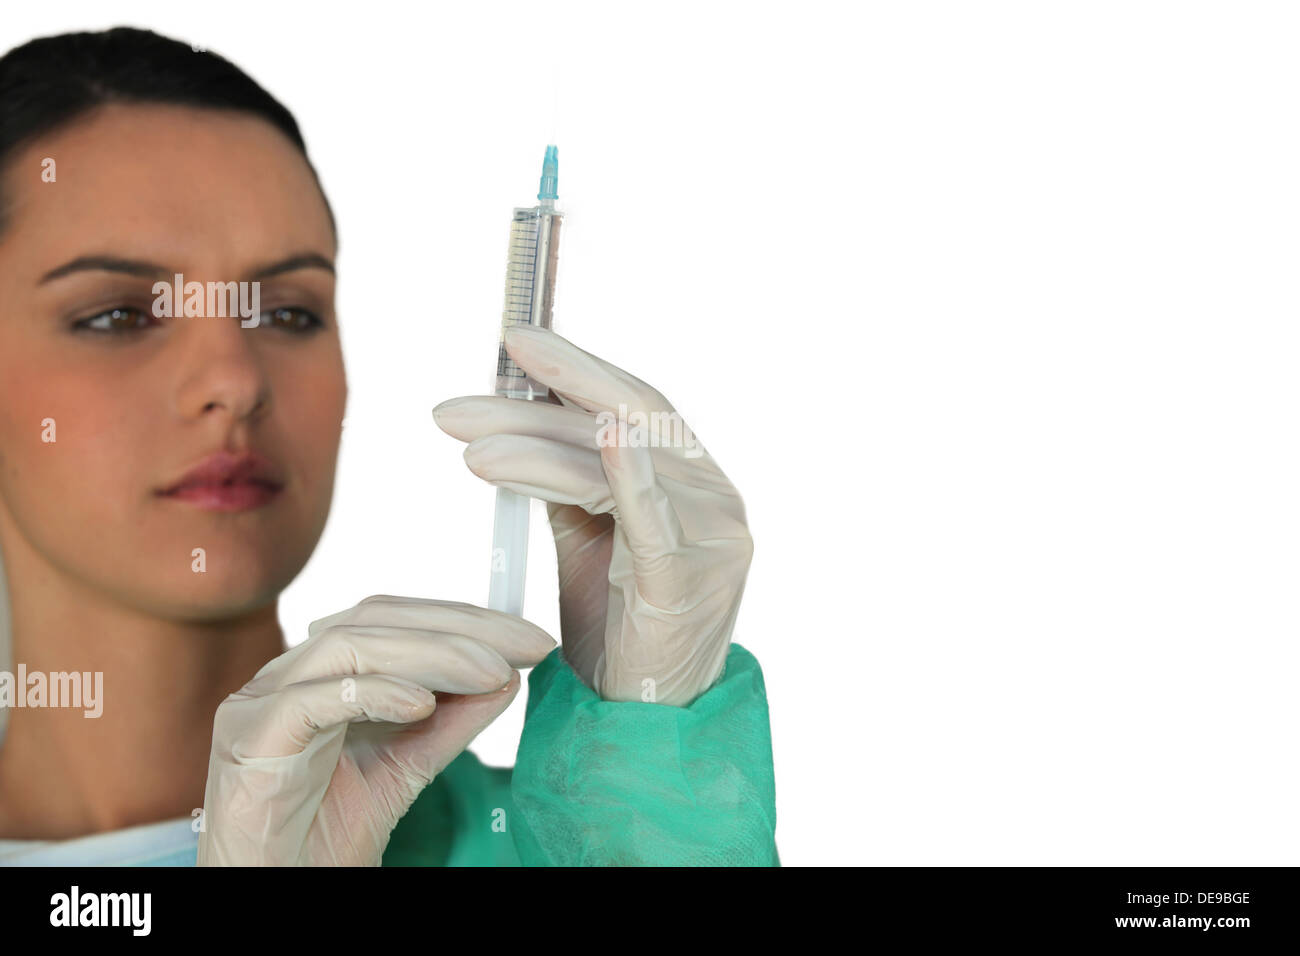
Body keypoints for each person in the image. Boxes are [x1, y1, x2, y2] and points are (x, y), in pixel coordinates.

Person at [0, 26, 777, 866]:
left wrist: (650, 770)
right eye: (119, 314)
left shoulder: (554, 843)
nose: (234, 378)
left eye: (286, 312)